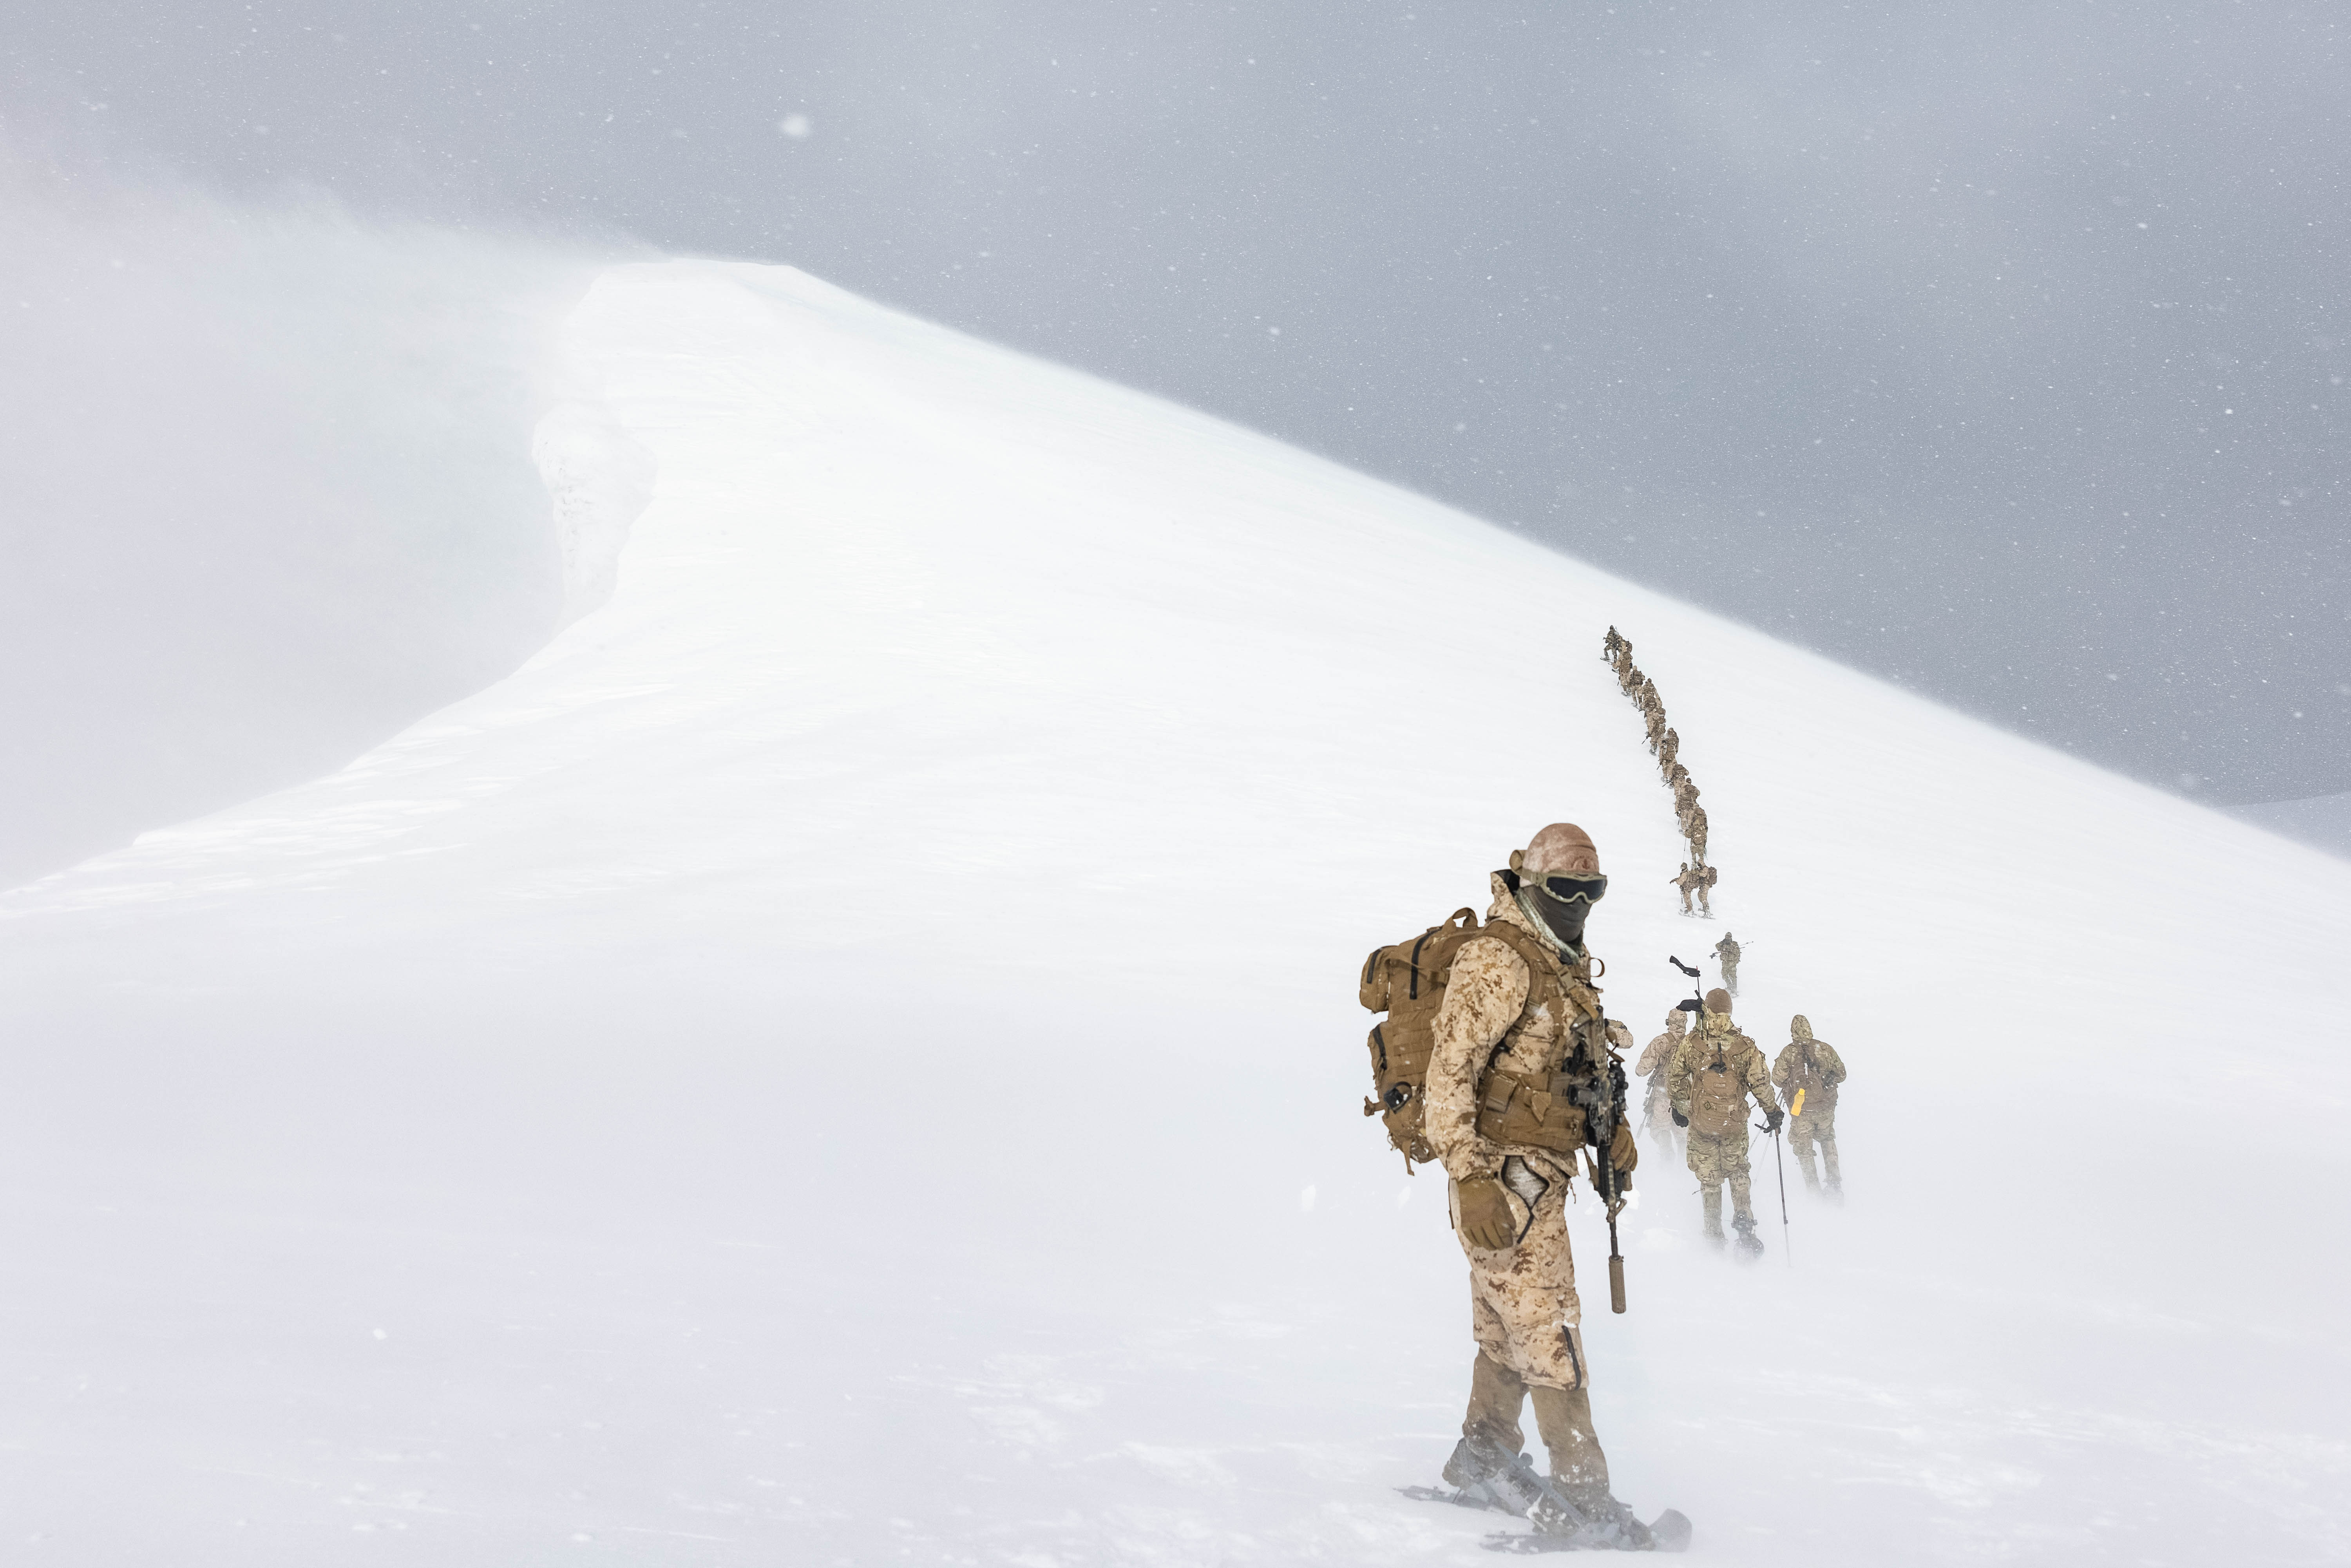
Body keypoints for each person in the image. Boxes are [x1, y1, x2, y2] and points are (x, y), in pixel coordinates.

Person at [1423, 823, 1661, 1547]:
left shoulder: (1562, 961)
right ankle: (1585, 1498)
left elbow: (1568, 1068)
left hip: (1536, 1176)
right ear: (1530, 881)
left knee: (1508, 1330)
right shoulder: (1500, 957)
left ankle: (1484, 1457)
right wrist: (1470, 1178)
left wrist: (1609, 1131)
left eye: (1593, 889)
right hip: (1502, 1184)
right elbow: (1448, 1074)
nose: (1579, 901)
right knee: (1551, 1331)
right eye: (1564, 886)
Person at [1667, 989, 1781, 1257]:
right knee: (1738, 1171)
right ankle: (1744, 1222)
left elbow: (1674, 1077)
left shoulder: (1692, 1043)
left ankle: (1713, 1236)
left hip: (1702, 1125)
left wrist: (1681, 1108)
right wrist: (1772, 1111)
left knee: (1710, 1181)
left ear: (1706, 1009)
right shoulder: (1745, 1046)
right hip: (1734, 1125)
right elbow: (1760, 1083)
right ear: (1729, 1011)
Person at [1773, 1016, 1847, 1197]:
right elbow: (1842, 1074)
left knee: (1804, 1150)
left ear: (1793, 1032)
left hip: (1801, 1109)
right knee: (1827, 1139)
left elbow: (1777, 1079)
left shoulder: (1789, 1052)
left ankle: (1814, 1192)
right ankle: (1835, 1185)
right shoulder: (1824, 1048)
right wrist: (1826, 1081)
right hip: (1825, 1107)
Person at [1634, 1009, 1686, 1165]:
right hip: (1686, 1097)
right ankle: (1684, 1165)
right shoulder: (1692, 1042)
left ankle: (1667, 1159)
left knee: (1661, 1128)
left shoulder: (1661, 1041)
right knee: (1683, 1132)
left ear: (1669, 1022)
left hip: (1664, 1095)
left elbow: (1642, 1070)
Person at [1711, 931, 1739, 996]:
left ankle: (1734, 990)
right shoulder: (1723, 944)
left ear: (1731, 937)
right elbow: (1717, 946)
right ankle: (1730, 986)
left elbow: (1738, 953)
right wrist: (1723, 942)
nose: (1728, 938)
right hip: (1725, 963)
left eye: (1729, 937)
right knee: (1724, 975)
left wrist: (1736, 961)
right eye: (1727, 937)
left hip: (1732, 963)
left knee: (1733, 976)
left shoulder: (1734, 944)